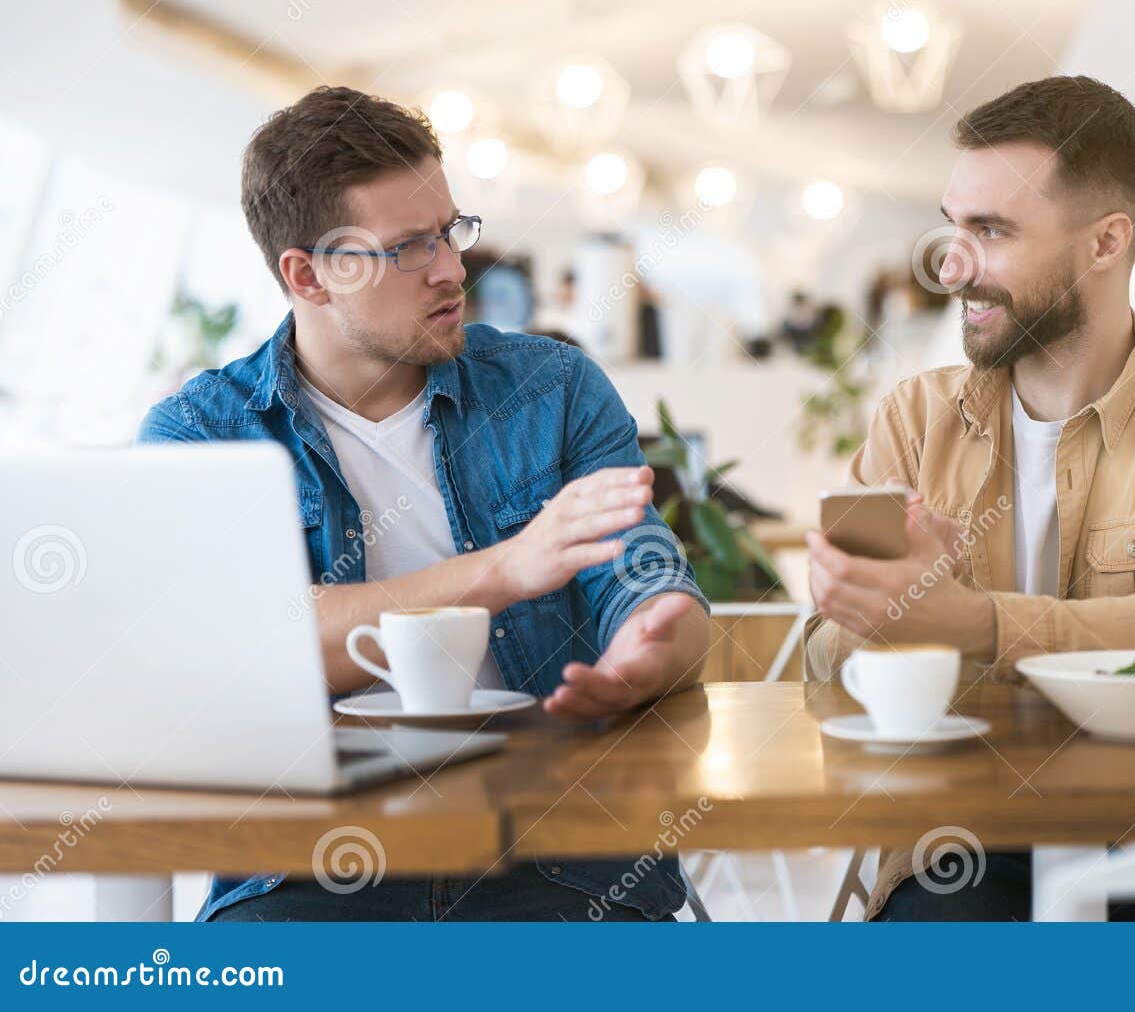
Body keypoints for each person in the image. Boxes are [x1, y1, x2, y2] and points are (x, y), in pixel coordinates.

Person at [139, 86, 711, 922]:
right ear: (307, 274)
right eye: (408, 246)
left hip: (558, 856)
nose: (452, 269)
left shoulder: (553, 388)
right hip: (307, 873)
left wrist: (654, 645)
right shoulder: (203, 433)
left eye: (449, 230)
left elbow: (651, 582)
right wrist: (505, 568)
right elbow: (244, 648)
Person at [804, 75, 1135, 921]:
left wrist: (971, 620)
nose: (951, 265)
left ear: (1105, 242)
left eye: (991, 231)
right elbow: (825, 668)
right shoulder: (914, 421)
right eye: (954, 226)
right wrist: (878, 611)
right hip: (960, 841)